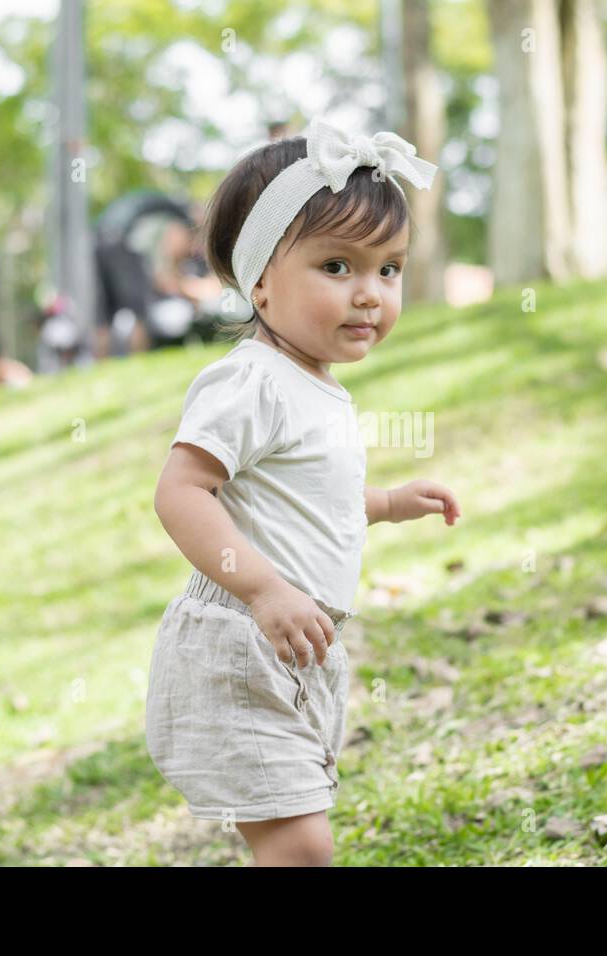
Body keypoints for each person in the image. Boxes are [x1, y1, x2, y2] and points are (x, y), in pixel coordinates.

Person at [145, 116, 462, 866]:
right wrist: (263, 590)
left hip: (295, 647)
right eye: (336, 267)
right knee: (301, 849)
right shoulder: (252, 379)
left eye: (388, 270)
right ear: (259, 280)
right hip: (237, 645)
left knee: (296, 839)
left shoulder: (312, 386)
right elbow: (182, 492)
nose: (369, 295)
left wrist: (384, 503)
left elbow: (298, 500)